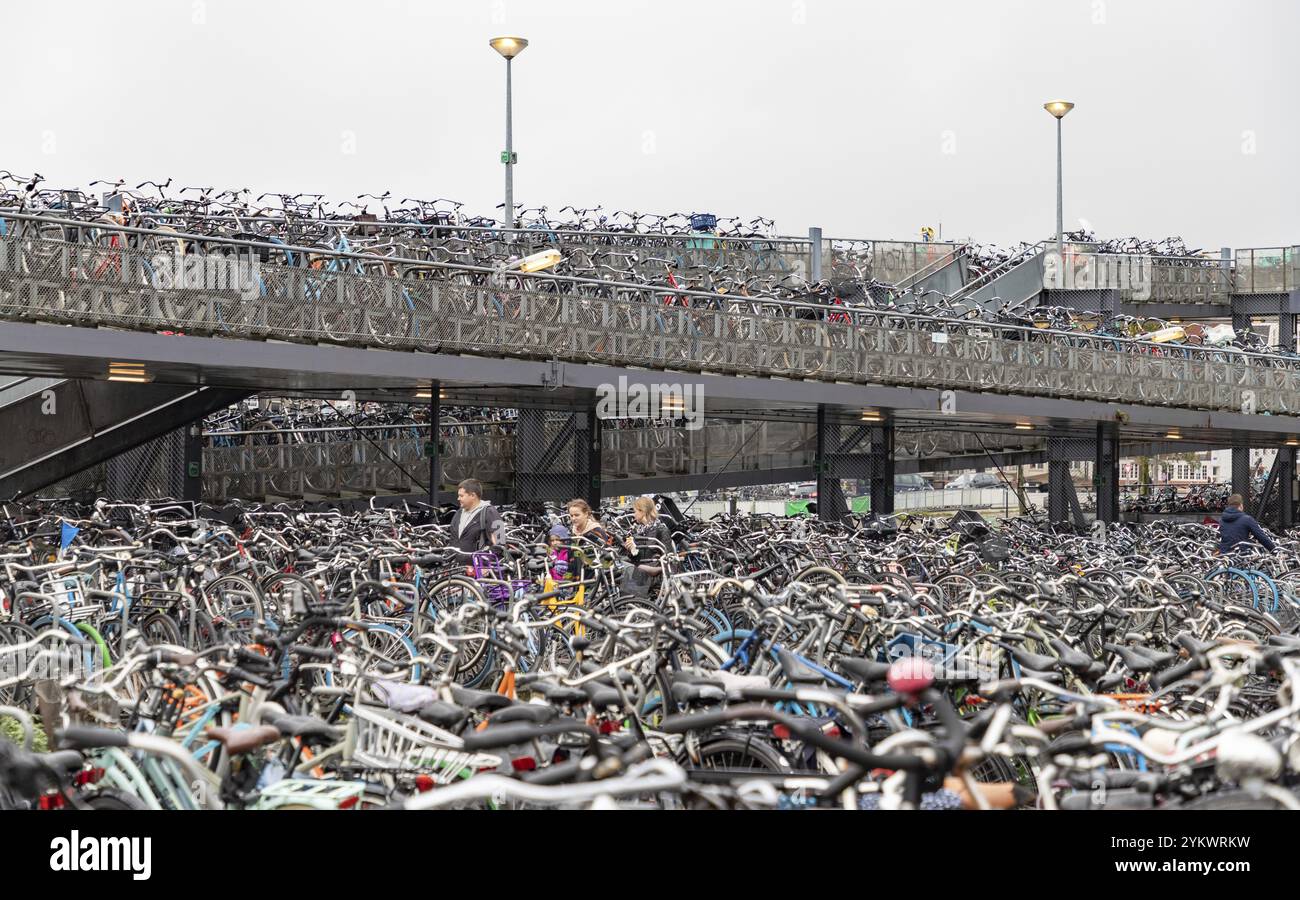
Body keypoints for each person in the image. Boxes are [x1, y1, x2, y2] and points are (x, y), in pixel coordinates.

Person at [623, 496, 673, 597]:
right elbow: (637, 558)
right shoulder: (637, 530)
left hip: (654, 575)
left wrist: (668, 585)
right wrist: (632, 550)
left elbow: (669, 558)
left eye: (635, 511)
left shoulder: (661, 530)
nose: (634, 514)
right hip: (640, 571)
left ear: (643, 511)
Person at [448, 478, 504, 556]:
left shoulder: (490, 512)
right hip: (457, 565)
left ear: (473, 495)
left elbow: (500, 543)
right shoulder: (459, 513)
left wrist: (483, 561)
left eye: (461, 496)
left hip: (478, 565)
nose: (458, 499)